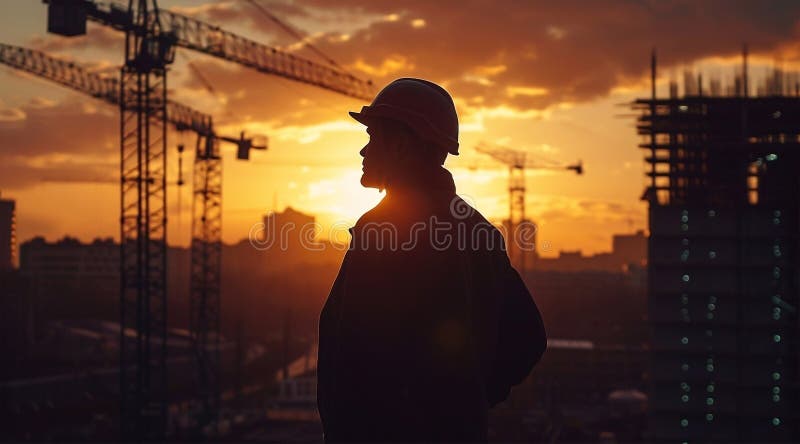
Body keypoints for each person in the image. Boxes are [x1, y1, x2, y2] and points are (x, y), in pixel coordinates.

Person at [317, 78, 546, 443]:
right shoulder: (478, 230)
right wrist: (467, 403)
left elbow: (356, 360)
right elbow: (528, 338)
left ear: (401, 146)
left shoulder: (385, 231)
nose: (364, 151)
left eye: (373, 138)